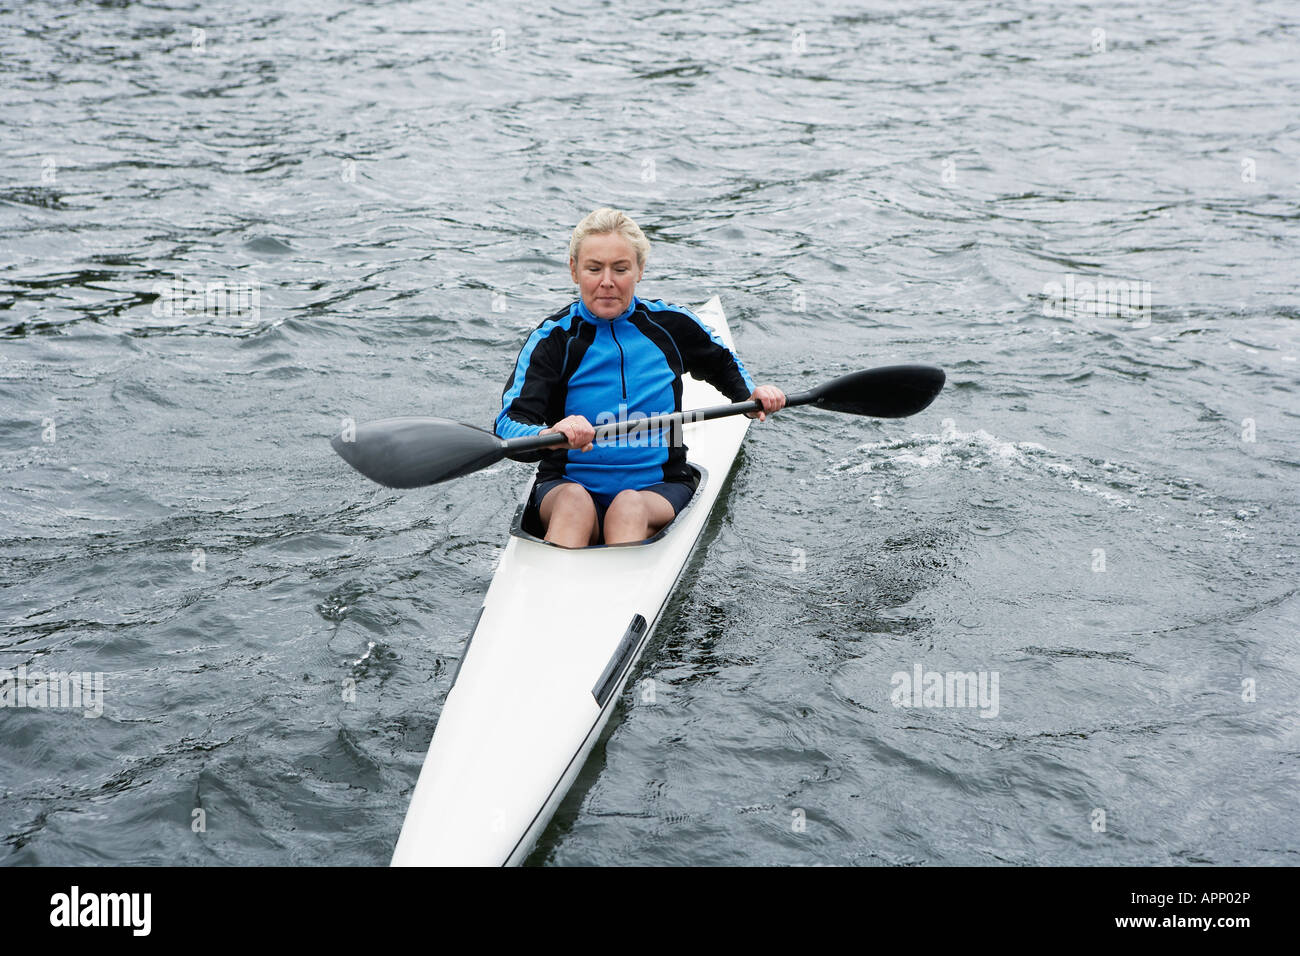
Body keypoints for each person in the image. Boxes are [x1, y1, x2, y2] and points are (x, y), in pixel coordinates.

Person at [495, 207, 786, 547]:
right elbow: (508, 425)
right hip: (565, 485)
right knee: (575, 505)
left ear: (639, 270)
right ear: (574, 270)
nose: (607, 281)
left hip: (658, 488)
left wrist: (752, 395)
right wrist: (551, 434)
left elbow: (723, 363)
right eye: (594, 268)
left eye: (620, 269)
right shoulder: (553, 341)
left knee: (627, 506)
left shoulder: (671, 326)